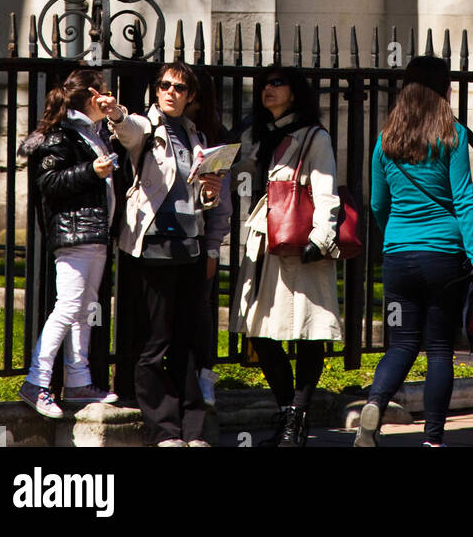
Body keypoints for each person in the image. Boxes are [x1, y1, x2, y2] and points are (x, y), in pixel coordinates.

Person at [354, 56, 473, 448]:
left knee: (401, 344)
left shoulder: (386, 138)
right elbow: (464, 198)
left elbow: (378, 202)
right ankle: (432, 439)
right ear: (445, 89)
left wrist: (394, 238)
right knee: (439, 349)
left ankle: (375, 404)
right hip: (444, 255)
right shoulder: (453, 135)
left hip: (399, 253)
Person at [96, 62, 225, 447]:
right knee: (157, 340)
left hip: (190, 246)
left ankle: (194, 429)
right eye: (165, 85)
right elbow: (127, 131)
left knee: (188, 339)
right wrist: (116, 112)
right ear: (156, 91)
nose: (172, 92)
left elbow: (199, 198)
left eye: (180, 88)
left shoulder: (193, 133)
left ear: (190, 97)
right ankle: (164, 430)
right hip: (152, 246)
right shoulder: (146, 126)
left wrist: (210, 192)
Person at [230, 68, 342, 448]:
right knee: (260, 329)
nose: (268, 89)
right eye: (265, 83)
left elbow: (326, 190)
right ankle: (287, 412)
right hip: (266, 240)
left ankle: (296, 419)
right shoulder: (262, 136)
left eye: (277, 82)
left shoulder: (314, 136)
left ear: (295, 93)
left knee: (309, 330)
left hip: (302, 242)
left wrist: (322, 239)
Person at [18, 67, 118, 417]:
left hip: (93, 234)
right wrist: (92, 171)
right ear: (93, 95)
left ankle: (78, 380)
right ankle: (36, 380)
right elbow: (49, 183)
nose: (107, 96)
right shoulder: (62, 135)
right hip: (75, 234)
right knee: (69, 306)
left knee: (83, 307)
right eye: (103, 91)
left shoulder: (92, 132)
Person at [185, 72, 231, 409]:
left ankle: (202, 375)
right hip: (158, 239)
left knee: (198, 312)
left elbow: (221, 203)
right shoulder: (155, 127)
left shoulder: (213, 137)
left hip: (198, 240)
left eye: (192, 95)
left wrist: (213, 246)